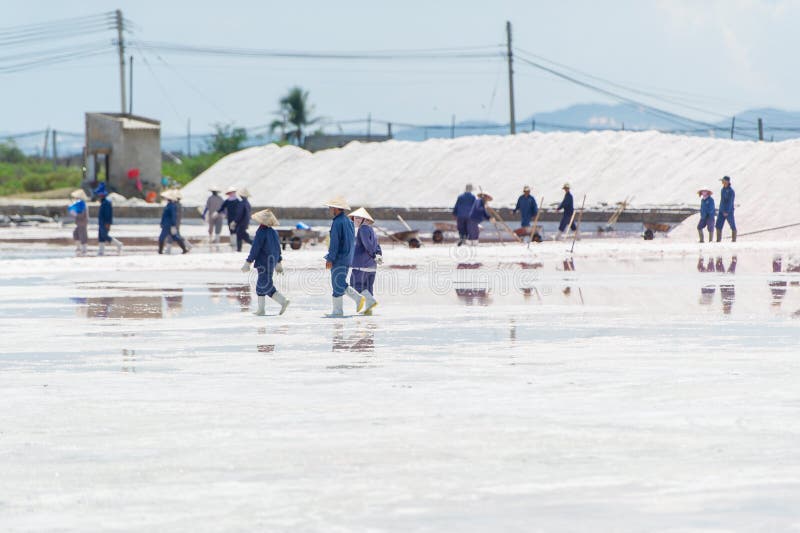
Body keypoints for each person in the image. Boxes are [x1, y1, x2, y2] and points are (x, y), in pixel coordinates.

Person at [240, 209, 290, 316]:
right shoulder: (274, 232)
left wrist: (248, 261)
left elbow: (255, 248)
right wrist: (278, 262)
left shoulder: (261, 232)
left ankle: (282, 301)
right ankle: (262, 309)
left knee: (264, 285)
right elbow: (278, 248)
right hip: (271, 262)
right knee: (262, 285)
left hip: (263, 262)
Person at [324, 196, 361, 317]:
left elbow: (335, 243)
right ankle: (340, 309)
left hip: (339, 258)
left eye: (331, 207)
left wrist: (330, 258)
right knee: (339, 282)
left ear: (336, 208)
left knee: (337, 283)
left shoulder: (337, 222)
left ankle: (339, 310)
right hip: (348, 257)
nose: (330, 209)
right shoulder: (349, 221)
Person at [348, 207, 382, 315]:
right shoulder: (372, 230)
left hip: (362, 264)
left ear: (364, 219)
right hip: (372, 265)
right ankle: (369, 310)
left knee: (355, 285)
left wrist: (373, 254)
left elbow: (368, 245)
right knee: (368, 287)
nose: (356, 220)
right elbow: (377, 246)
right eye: (355, 218)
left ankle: (370, 302)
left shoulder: (363, 229)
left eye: (358, 218)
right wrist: (378, 256)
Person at [94, 183, 123, 255]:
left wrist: (108, 223)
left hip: (105, 222)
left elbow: (108, 214)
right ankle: (101, 251)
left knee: (105, 236)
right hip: (101, 222)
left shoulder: (107, 203)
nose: (99, 196)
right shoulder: (103, 202)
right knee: (101, 237)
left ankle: (118, 244)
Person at [158, 189, 188, 254]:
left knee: (162, 238)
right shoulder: (169, 205)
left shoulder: (172, 206)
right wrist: (162, 223)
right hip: (166, 224)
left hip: (168, 225)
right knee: (175, 237)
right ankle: (184, 249)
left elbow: (173, 216)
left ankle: (160, 251)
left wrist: (173, 225)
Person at [216, 186, 241, 251]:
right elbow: (222, 208)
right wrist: (217, 212)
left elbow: (240, 210)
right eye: (230, 193)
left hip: (236, 218)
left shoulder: (237, 201)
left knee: (236, 230)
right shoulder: (227, 201)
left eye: (233, 192)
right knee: (230, 229)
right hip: (230, 217)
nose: (232, 194)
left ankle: (235, 243)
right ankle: (232, 242)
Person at [68, 189, 89, 256]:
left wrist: (76, 214)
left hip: (82, 223)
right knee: (76, 234)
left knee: (83, 235)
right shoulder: (79, 204)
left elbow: (82, 214)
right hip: (78, 222)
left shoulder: (83, 205)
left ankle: (84, 249)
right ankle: (78, 248)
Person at [716, 176, 736, 242]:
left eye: (723, 180)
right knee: (718, 225)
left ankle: (734, 239)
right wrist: (721, 209)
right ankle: (718, 240)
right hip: (721, 210)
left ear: (727, 181)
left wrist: (726, 211)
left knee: (732, 224)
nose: (722, 182)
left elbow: (730, 202)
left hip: (729, 211)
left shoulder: (731, 191)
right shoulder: (722, 189)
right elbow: (722, 201)